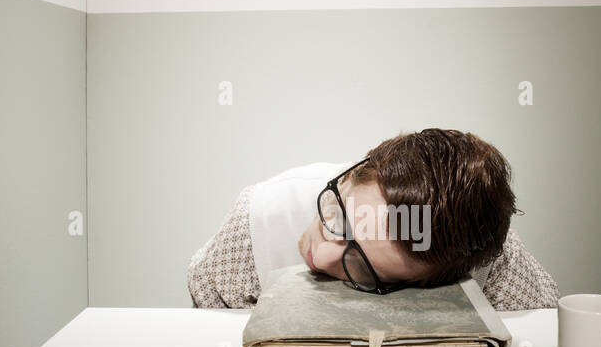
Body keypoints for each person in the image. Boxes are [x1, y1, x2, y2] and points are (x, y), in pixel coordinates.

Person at [186, 128, 560, 310]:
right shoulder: (258, 220)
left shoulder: (490, 261)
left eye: (365, 269)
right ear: (350, 175)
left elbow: (542, 327)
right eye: (340, 219)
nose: (323, 256)